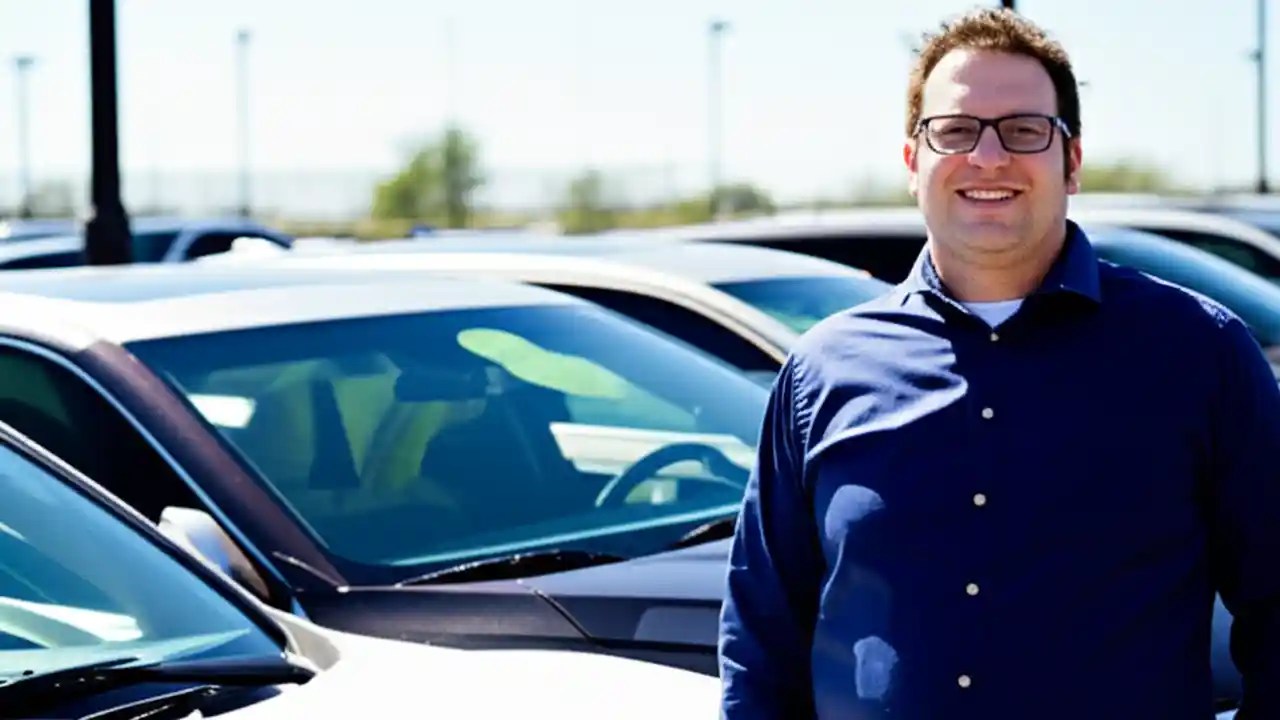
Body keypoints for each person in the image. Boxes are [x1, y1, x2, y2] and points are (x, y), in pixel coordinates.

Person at [718, 8, 1280, 720]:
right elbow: (762, 634)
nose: (987, 157)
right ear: (912, 161)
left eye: (1024, 130)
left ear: (1071, 162)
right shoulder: (820, 372)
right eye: (953, 131)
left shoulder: (1200, 354)